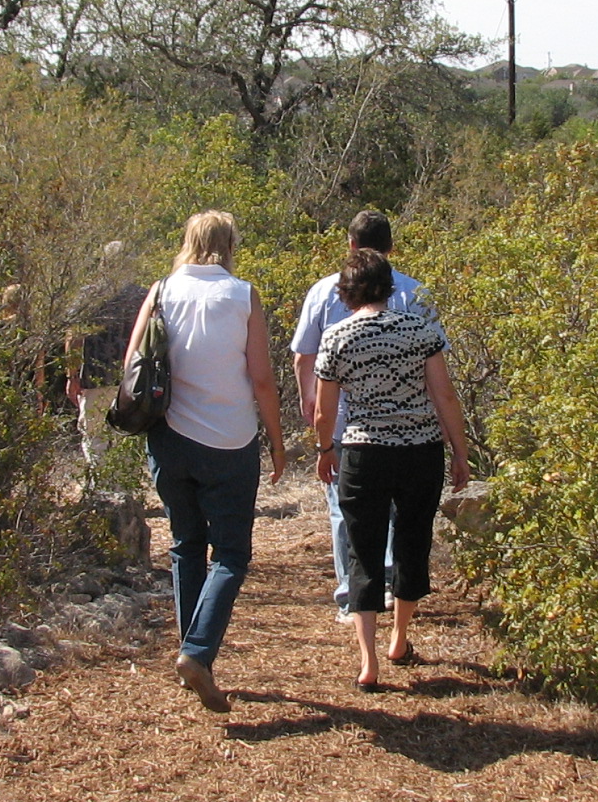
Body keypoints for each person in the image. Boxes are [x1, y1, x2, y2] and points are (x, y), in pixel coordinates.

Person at [125, 211, 287, 713]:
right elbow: (261, 378)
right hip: (230, 441)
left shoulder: (161, 290)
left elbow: (132, 360)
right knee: (232, 555)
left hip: (168, 438)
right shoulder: (242, 295)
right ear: (230, 244)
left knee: (186, 546)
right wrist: (278, 442)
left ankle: (191, 655)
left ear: (189, 241)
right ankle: (197, 654)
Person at [311, 247, 470, 692]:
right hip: (420, 450)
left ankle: (368, 660)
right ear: (389, 286)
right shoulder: (420, 331)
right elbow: (445, 397)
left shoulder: (337, 337)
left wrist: (325, 449)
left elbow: (325, 411)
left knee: (364, 549)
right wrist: (459, 451)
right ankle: (399, 637)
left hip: (364, 453)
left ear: (348, 291)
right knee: (412, 540)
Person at [291, 211, 419, 621]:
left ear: (350, 244)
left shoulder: (324, 291)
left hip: (345, 421)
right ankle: (392, 588)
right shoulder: (414, 293)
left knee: (343, 507)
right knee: (398, 508)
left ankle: (352, 594)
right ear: (391, 247)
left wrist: (310, 402)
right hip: (405, 424)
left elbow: (303, 356)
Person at [63, 241, 148, 478]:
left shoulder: (89, 295)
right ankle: (123, 489)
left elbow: (73, 337)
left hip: (95, 377)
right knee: (124, 436)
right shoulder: (142, 297)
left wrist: (72, 376)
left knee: (94, 434)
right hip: (131, 379)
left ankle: (101, 489)